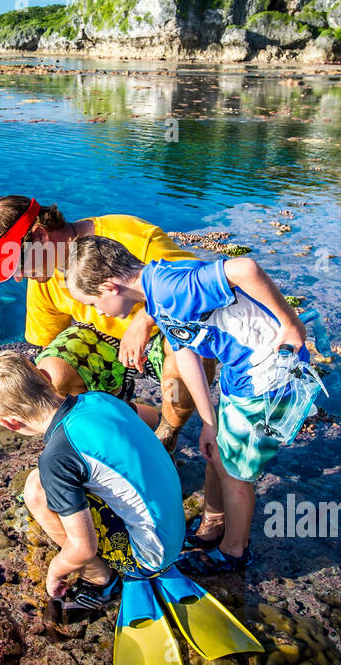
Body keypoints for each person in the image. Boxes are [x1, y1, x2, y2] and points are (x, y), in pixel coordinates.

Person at [0, 350, 262, 665]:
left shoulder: (57, 456)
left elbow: (83, 547)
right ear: (46, 377)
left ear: (10, 422)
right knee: (73, 478)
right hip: (172, 526)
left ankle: (102, 579)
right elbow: (141, 426)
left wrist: (55, 571)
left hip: (149, 556)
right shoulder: (96, 399)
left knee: (36, 490)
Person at [63, 234, 310, 574]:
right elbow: (186, 353)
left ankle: (235, 552)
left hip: (269, 376)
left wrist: (291, 323)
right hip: (241, 371)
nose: (94, 311)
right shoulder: (154, 294)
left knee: (236, 473)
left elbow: (244, 268)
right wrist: (208, 422)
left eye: (91, 303)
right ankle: (213, 527)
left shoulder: (169, 286)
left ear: (109, 287)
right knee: (217, 453)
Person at [0, 195, 215, 452]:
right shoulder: (42, 278)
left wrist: (144, 321)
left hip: (161, 331)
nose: (18, 276)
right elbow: (44, 344)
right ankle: (118, 421)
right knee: (50, 377)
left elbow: (196, 286)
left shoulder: (128, 235)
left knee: (190, 348)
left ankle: (167, 436)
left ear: (41, 236)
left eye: (17, 264)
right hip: (104, 339)